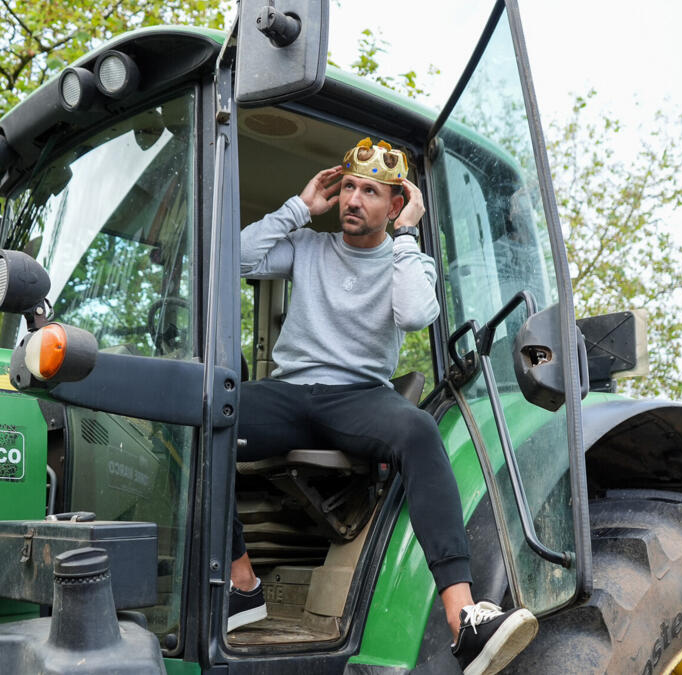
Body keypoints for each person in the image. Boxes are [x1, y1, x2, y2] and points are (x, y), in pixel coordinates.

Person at [228, 138, 537, 675]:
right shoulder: (308, 246)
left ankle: (464, 618)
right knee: (210, 408)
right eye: (348, 187)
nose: (353, 200)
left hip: (359, 397)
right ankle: (242, 585)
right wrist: (300, 208)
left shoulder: (407, 260)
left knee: (418, 429)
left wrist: (407, 236)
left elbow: (417, 315)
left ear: (394, 205)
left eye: (370, 192)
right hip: (292, 390)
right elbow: (233, 258)